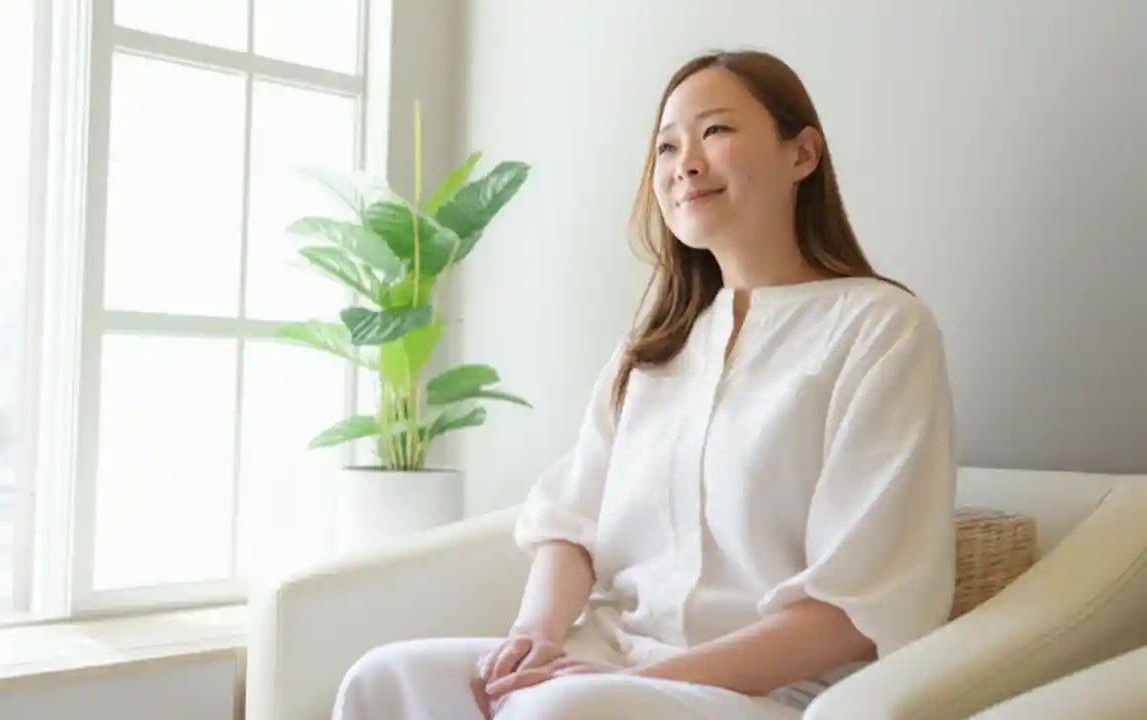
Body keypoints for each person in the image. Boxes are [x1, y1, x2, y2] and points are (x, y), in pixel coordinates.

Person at [331, 49, 957, 719]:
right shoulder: (656, 347)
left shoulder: (879, 328)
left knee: (556, 713)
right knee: (385, 680)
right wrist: (534, 637)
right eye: (666, 146)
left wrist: (634, 681)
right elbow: (571, 524)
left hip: (768, 692)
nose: (685, 163)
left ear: (802, 154)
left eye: (715, 131)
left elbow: (852, 610)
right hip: (608, 656)